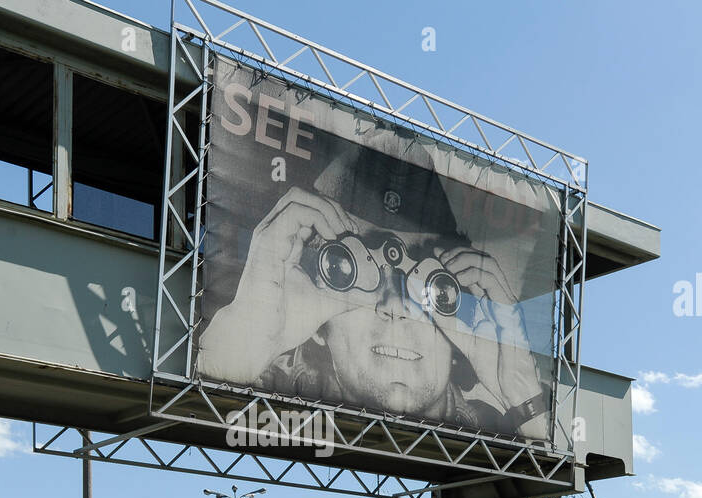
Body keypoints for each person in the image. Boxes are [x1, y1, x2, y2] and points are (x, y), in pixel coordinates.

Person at [196, 133, 551, 440]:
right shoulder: (266, 408)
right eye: (347, 268)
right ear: (315, 318)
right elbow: (186, 423)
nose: (395, 307)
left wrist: (522, 396)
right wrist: (239, 351)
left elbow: (553, 483)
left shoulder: (506, 425)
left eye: (431, 288)